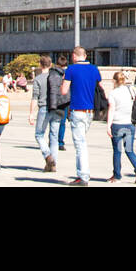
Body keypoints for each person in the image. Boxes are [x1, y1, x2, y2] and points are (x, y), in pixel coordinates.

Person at [60, 46, 104, 186]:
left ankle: (83, 176)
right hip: (89, 111)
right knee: (82, 141)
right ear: (85, 56)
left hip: (77, 110)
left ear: (74, 56)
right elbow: (101, 88)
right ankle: (82, 174)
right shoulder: (94, 69)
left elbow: (63, 90)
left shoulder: (71, 69)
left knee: (80, 145)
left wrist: (65, 80)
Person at [105, 70, 136, 183]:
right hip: (129, 124)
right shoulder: (131, 89)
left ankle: (117, 176)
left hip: (117, 125)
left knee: (117, 151)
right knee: (129, 150)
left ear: (114, 81)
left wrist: (108, 126)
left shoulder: (113, 93)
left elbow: (111, 109)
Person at [29, 55, 63, 173]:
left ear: (40, 65)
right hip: (57, 108)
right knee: (54, 136)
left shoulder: (38, 79)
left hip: (44, 107)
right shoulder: (57, 76)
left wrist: (31, 113)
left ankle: (48, 156)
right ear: (51, 64)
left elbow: (35, 97)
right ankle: (53, 164)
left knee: (39, 134)